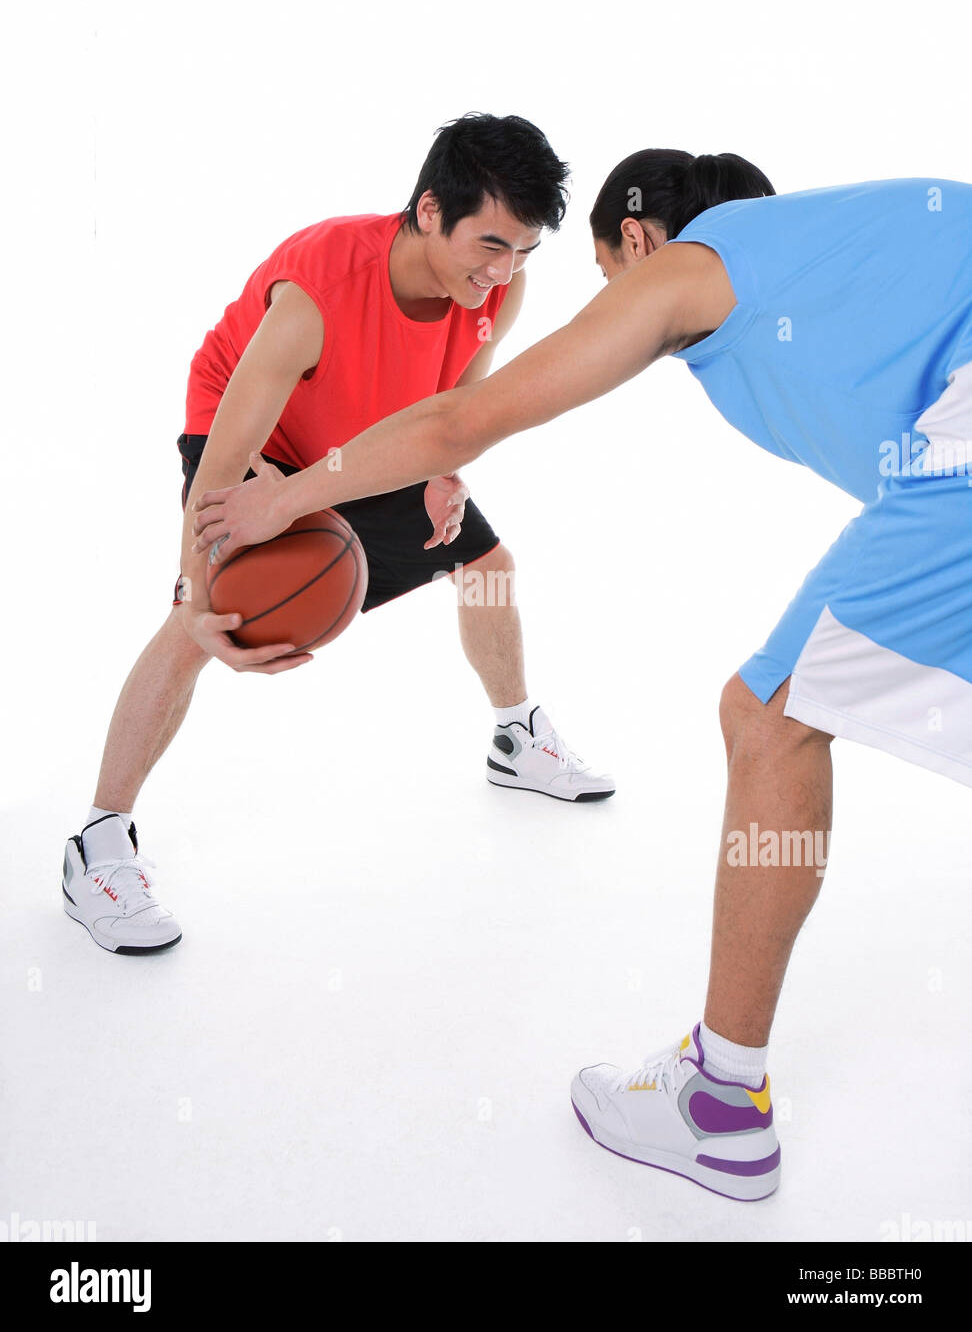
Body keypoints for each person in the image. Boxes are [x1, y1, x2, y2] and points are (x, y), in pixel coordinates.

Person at [191, 151, 972, 1199]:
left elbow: (465, 417)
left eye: (607, 274)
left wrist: (281, 505)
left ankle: (720, 1104)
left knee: (770, 716)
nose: (616, 305)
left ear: (639, 242)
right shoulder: (838, 258)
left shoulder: (696, 265)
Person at [63, 113, 618, 958]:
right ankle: (98, 845)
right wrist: (198, 582)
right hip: (255, 447)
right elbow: (224, 456)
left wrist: (440, 469)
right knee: (195, 628)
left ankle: (515, 737)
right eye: (492, 244)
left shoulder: (497, 286)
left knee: (488, 566)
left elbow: (465, 387)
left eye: (525, 253)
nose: (504, 271)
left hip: (365, 440)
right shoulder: (316, 294)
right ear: (431, 210)